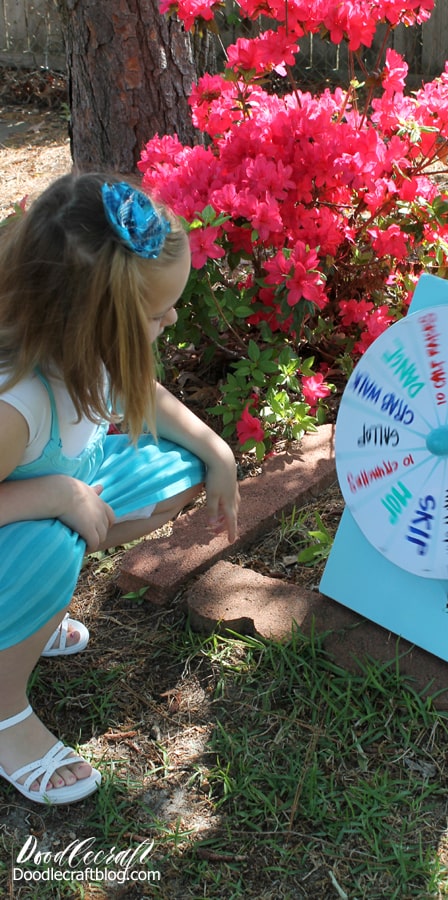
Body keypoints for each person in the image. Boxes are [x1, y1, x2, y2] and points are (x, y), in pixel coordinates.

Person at [0, 173, 240, 805]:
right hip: (24, 512)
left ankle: (29, 613)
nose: (173, 318)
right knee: (52, 543)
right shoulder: (16, 407)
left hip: (47, 496)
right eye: (159, 314)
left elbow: (143, 400)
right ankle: (3, 713)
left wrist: (215, 451)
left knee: (178, 469)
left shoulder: (81, 355)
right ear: (88, 321)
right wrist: (55, 497)